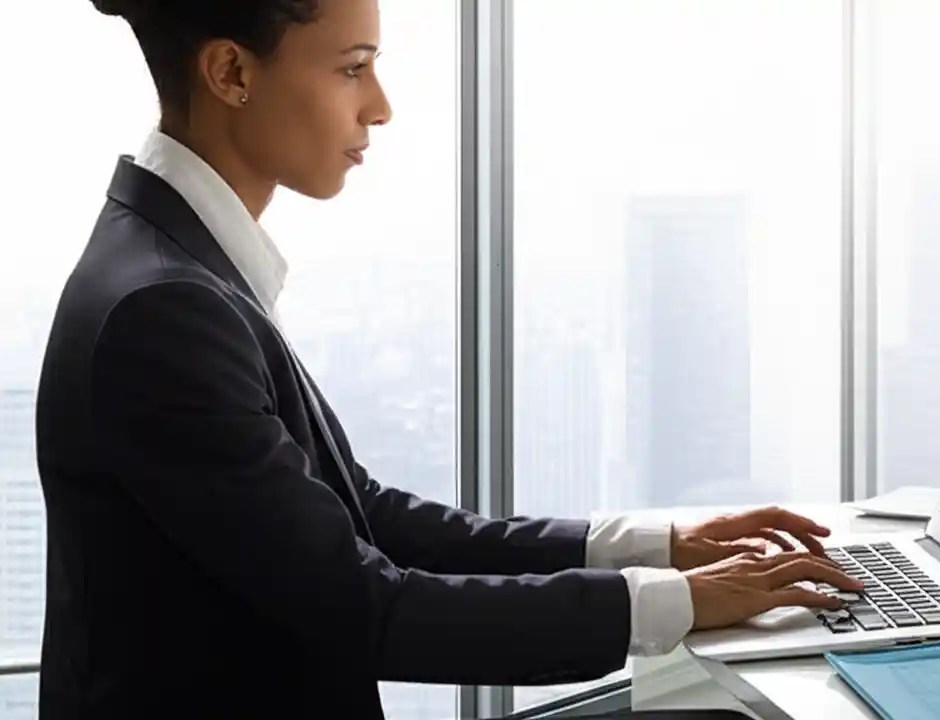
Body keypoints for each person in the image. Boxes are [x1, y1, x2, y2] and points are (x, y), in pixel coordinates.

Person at [34, 1, 862, 717]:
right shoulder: (163, 309)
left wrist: (657, 548)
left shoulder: (175, 267)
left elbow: (358, 515)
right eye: (353, 69)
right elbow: (365, 607)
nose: (381, 107)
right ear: (230, 72)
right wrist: (676, 604)